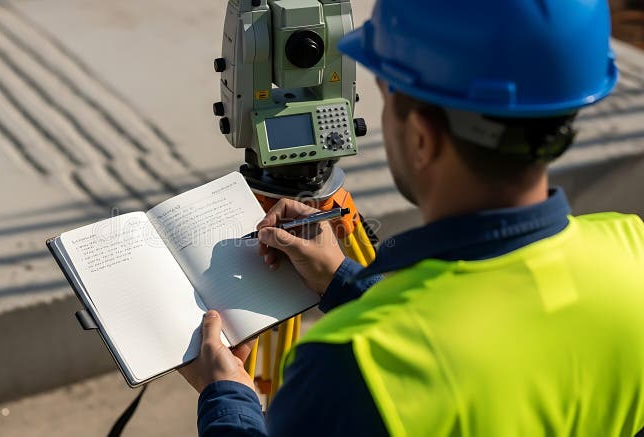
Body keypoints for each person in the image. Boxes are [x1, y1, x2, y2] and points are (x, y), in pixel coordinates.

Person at [179, 0, 644, 435]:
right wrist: (344, 281)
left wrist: (228, 399)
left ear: (421, 137)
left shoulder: (354, 365)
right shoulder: (632, 249)